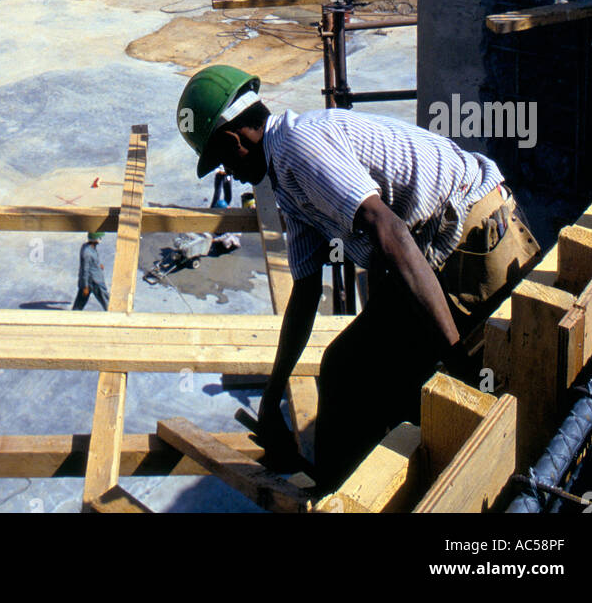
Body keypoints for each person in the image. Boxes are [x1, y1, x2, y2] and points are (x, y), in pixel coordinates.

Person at [176, 64, 540, 491]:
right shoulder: (285, 178)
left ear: (233, 140)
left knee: (381, 379)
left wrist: (457, 360)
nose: (230, 173)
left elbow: (389, 230)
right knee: (351, 370)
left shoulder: (299, 146)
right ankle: (340, 490)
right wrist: (271, 400)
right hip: (437, 245)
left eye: (222, 160)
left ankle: (350, 493)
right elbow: (306, 291)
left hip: (472, 236)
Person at [72, 231, 110, 310]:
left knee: (79, 304)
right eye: (99, 238)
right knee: (107, 302)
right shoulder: (87, 253)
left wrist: (98, 265)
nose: (100, 239)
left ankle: (74, 314)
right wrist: (85, 286)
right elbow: (85, 269)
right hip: (94, 282)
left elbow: (92, 262)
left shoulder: (90, 248)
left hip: (93, 280)